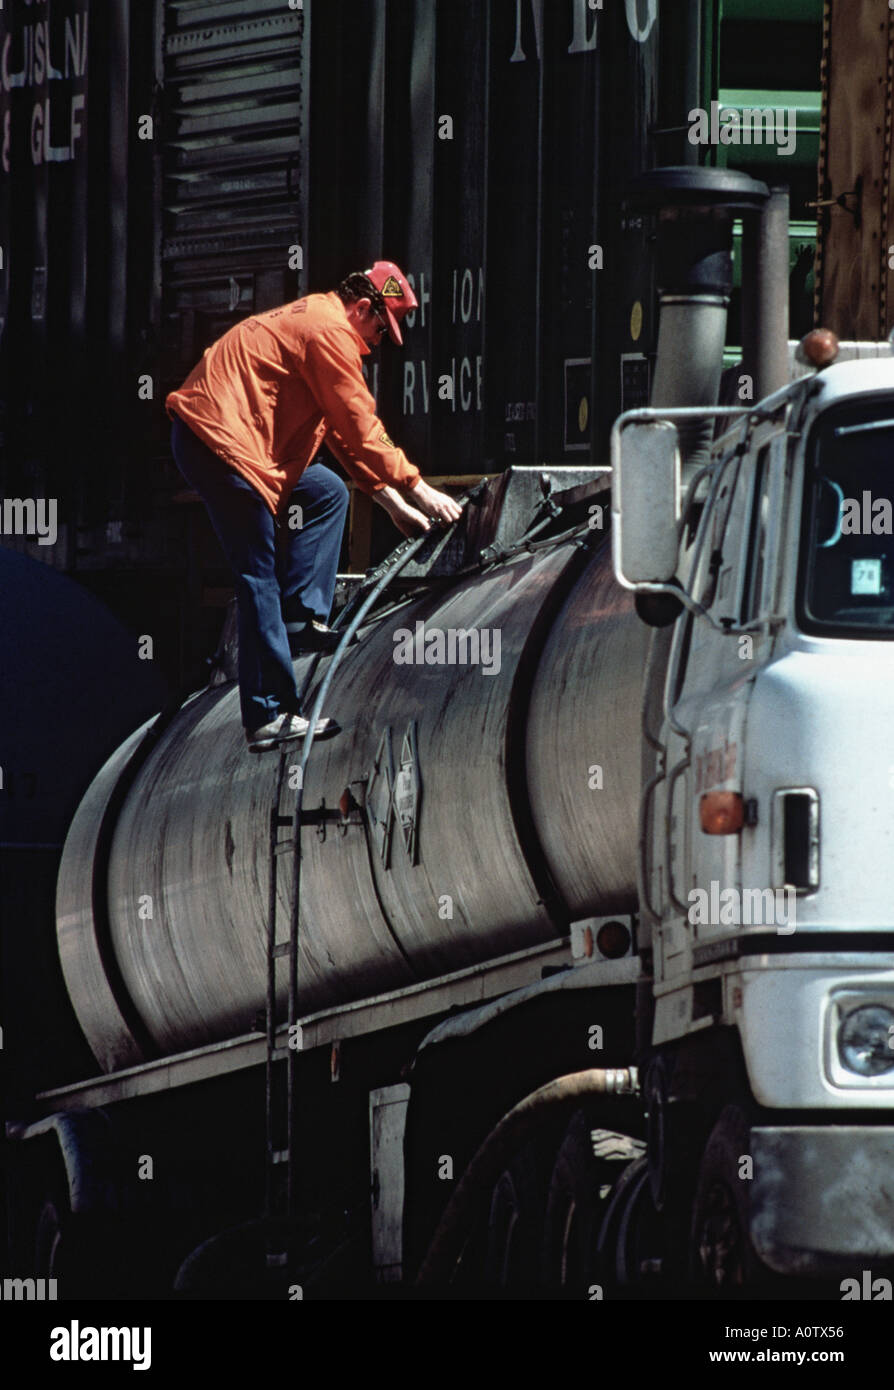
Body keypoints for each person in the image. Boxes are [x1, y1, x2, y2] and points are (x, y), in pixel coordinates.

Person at [166, 261, 462, 752]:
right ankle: (270, 714)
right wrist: (419, 488)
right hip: (219, 442)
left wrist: (388, 501)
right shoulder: (329, 333)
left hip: (242, 440)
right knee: (258, 574)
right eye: (379, 329)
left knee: (326, 491)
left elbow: (341, 435)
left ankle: (302, 618)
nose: (377, 342)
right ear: (363, 307)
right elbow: (360, 424)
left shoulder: (320, 323)